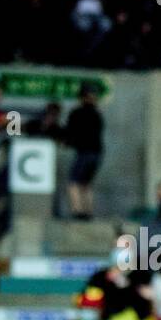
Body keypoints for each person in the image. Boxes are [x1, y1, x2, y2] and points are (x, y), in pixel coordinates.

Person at [64, 83, 104, 220]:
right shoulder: (97, 114)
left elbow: (70, 134)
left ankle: (78, 211)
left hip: (85, 152)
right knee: (86, 183)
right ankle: (88, 211)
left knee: (74, 182)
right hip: (96, 153)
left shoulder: (77, 113)